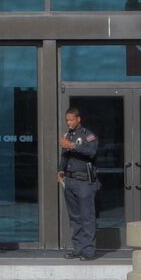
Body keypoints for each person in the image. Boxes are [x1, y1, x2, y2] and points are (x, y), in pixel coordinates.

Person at [58, 107, 103, 260]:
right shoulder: (67, 135)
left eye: (71, 119)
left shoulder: (87, 135)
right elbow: (64, 155)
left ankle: (89, 251)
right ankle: (77, 248)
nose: (68, 123)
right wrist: (60, 171)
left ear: (78, 119)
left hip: (84, 181)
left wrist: (71, 145)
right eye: (67, 120)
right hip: (69, 180)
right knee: (75, 217)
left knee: (87, 217)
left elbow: (91, 152)